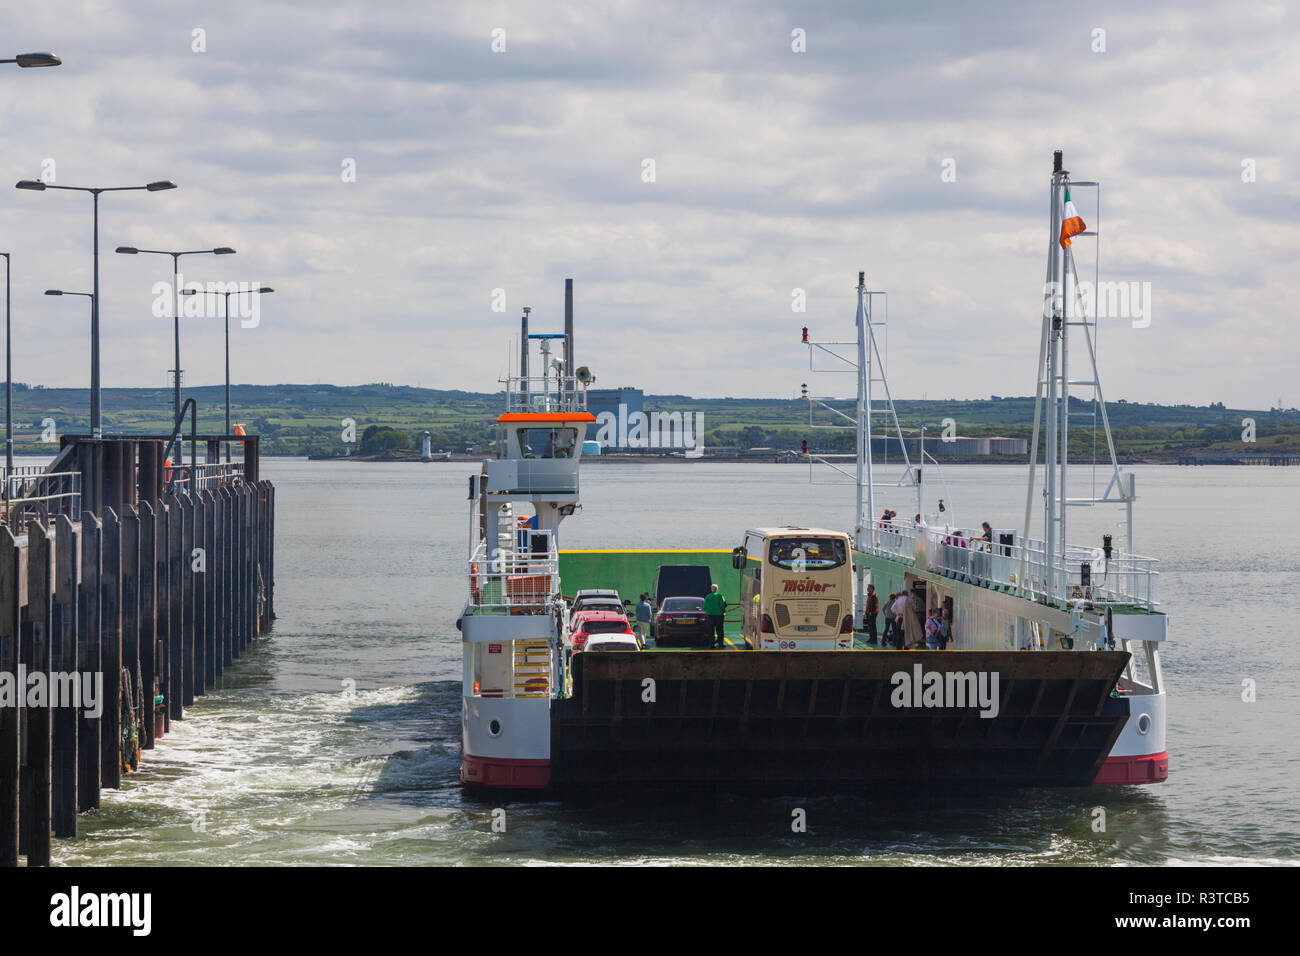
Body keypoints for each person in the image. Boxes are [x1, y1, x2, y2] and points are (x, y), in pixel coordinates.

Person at [703, 584, 727, 648]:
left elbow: (704, 606)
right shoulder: (719, 596)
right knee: (720, 630)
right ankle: (720, 644)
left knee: (711, 631)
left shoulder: (707, 596)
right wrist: (723, 610)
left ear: (711, 589)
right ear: (717, 589)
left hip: (710, 616)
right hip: (719, 615)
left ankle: (711, 645)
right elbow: (723, 605)